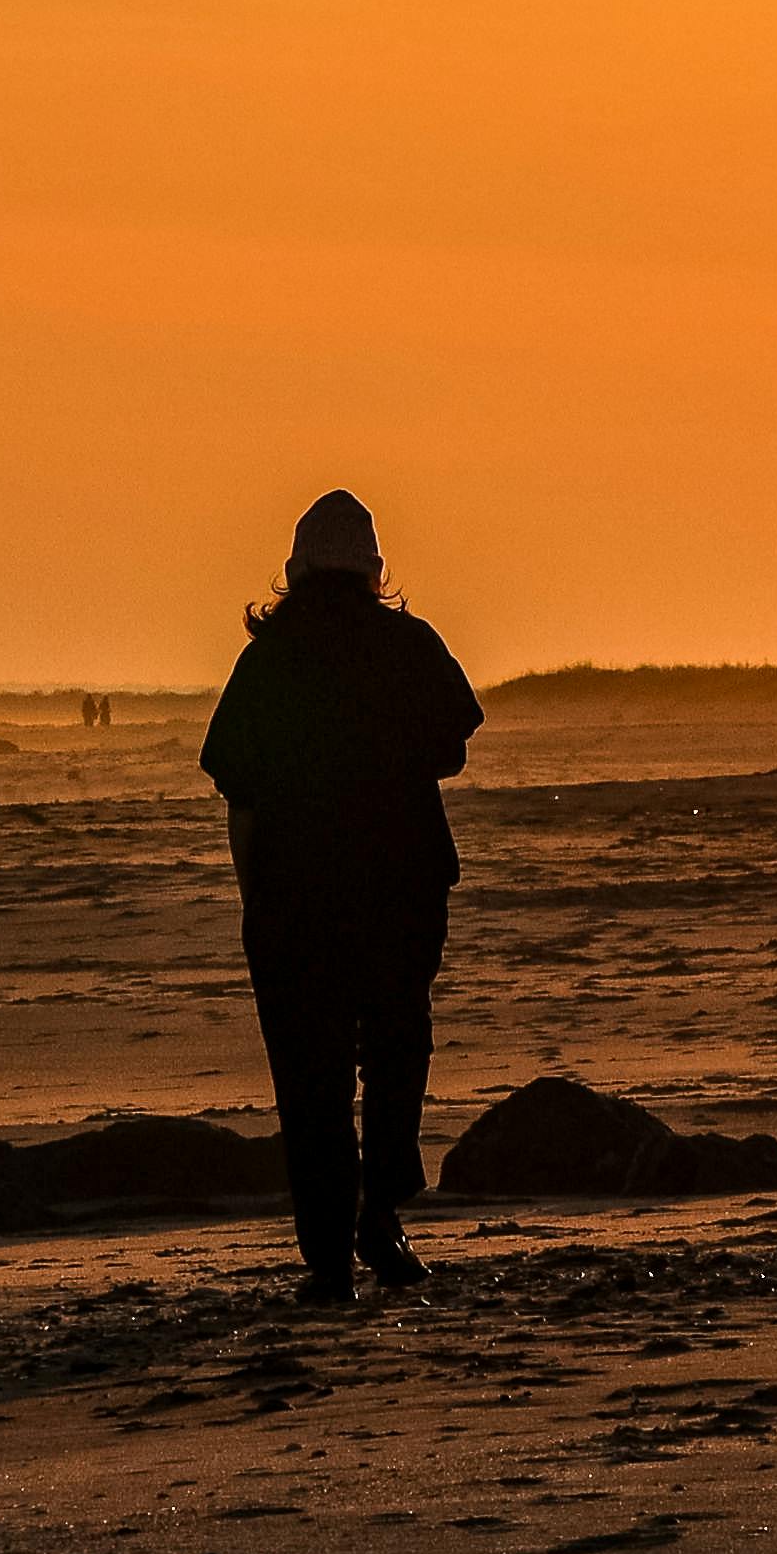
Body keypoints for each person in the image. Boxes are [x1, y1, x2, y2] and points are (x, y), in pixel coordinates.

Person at [197, 488, 484, 1303]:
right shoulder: (409, 645)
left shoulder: (269, 661)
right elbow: (451, 747)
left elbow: (240, 797)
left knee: (310, 1080)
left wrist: (254, 898)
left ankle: (327, 1257)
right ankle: (381, 1216)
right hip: (400, 894)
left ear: (297, 569)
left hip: (294, 902)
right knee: (396, 1056)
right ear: (372, 569)